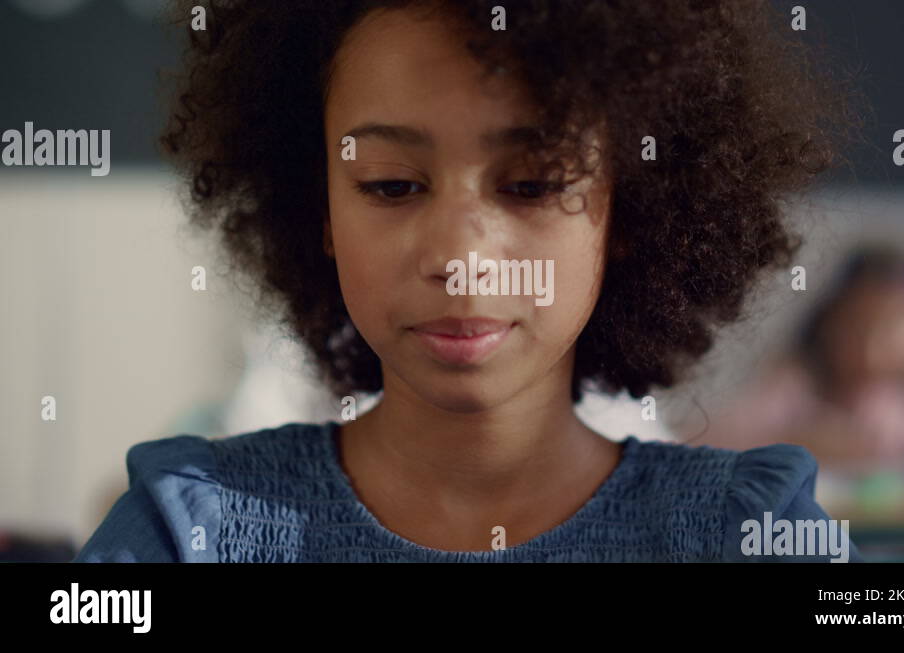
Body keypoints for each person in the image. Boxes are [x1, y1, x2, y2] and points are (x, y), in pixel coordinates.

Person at [74, 0, 862, 562]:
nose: (462, 256)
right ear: (317, 206)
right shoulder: (186, 531)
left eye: (531, 185)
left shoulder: (745, 533)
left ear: (628, 212)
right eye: (390, 185)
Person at [680, 244, 904, 470]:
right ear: (827, 326)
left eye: (893, 328)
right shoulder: (802, 383)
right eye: (855, 328)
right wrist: (795, 443)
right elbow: (699, 443)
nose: (870, 350)